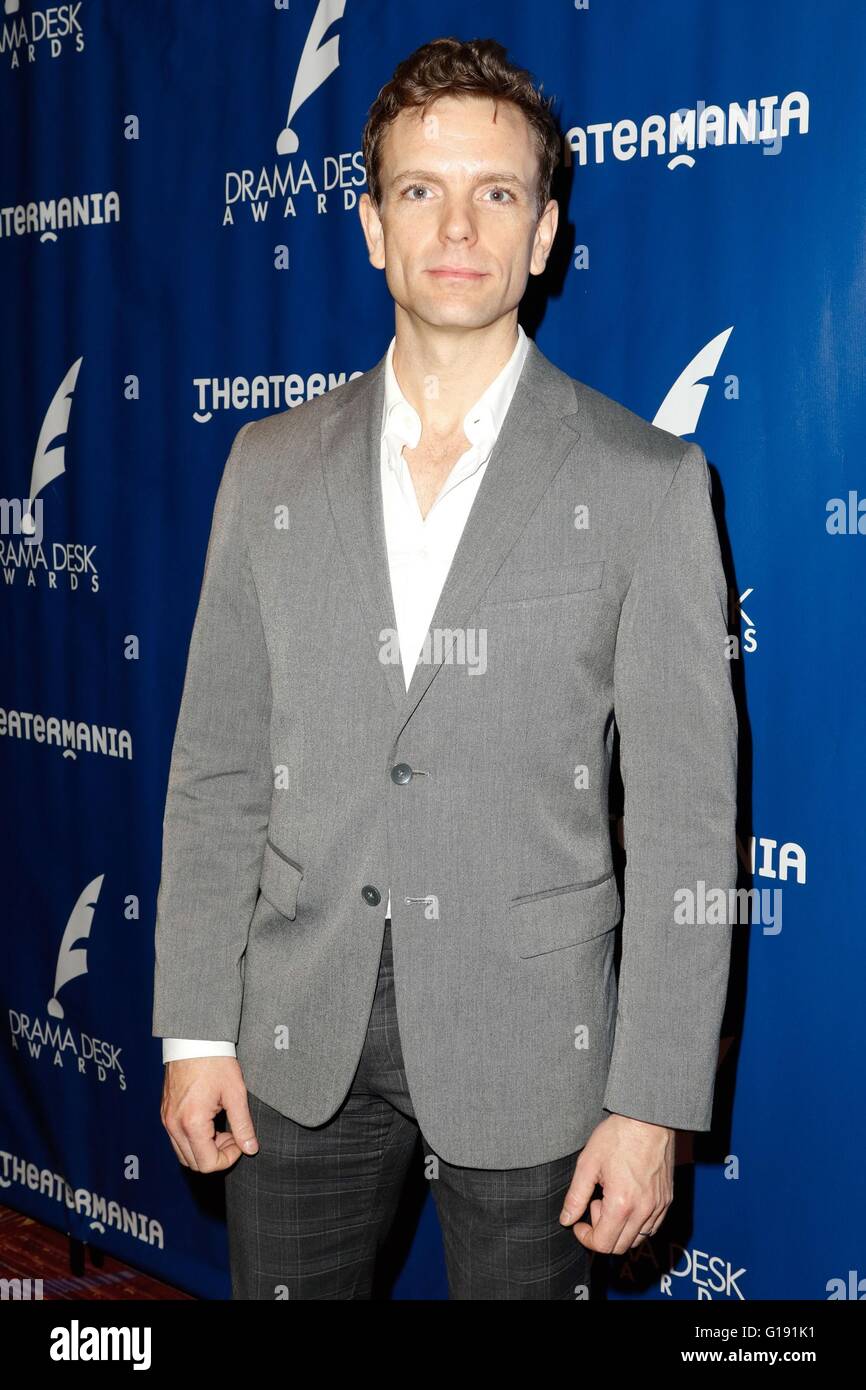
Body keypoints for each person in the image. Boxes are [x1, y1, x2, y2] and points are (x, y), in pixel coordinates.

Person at [153, 35, 738, 1300]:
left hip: (538, 1048)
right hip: (292, 1039)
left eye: (497, 192)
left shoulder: (646, 486)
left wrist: (650, 1105)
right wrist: (197, 1028)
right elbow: (216, 769)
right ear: (370, 226)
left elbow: (690, 826)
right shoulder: (268, 469)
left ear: (543, 234)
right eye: (420, 189)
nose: (458, 223)